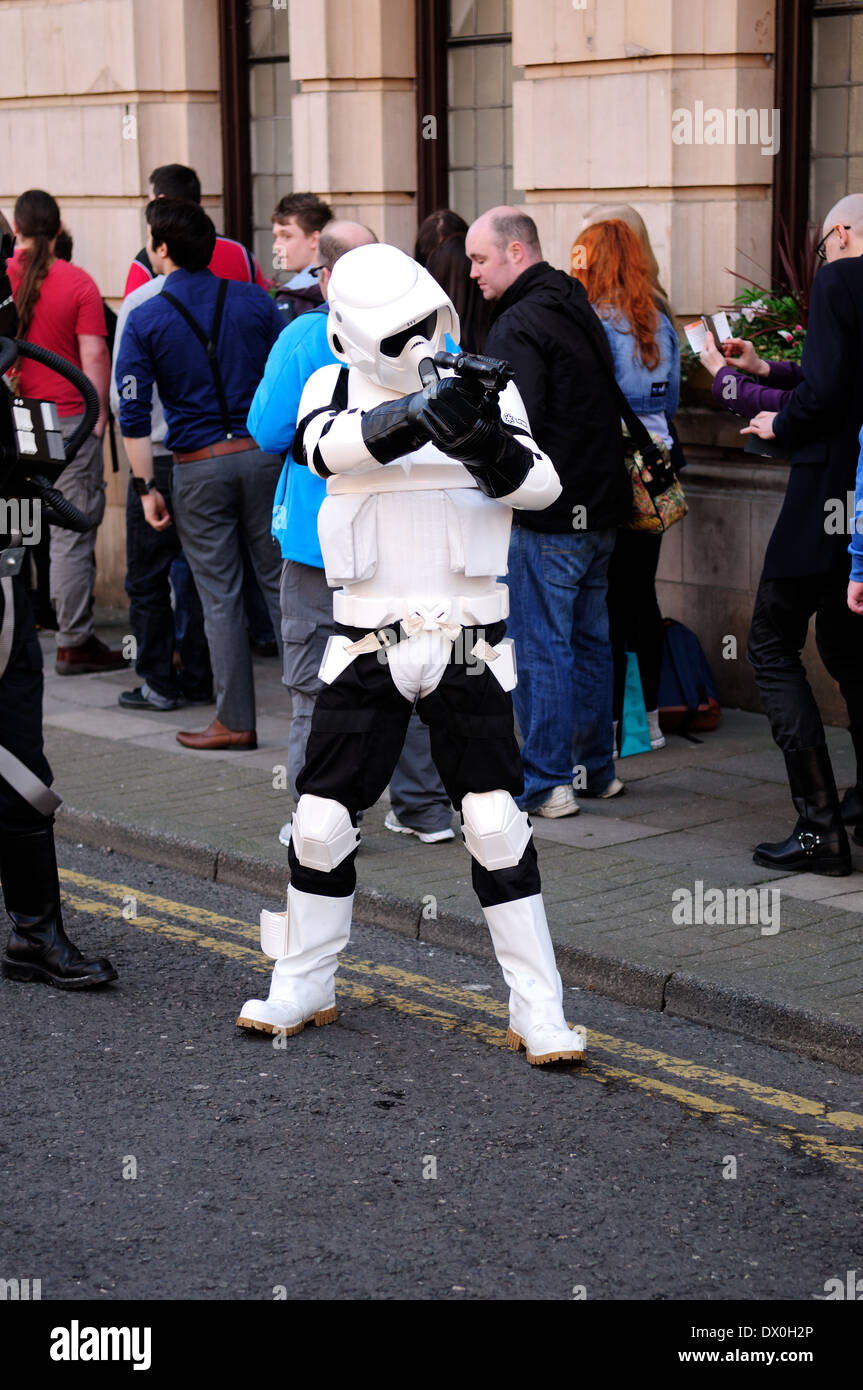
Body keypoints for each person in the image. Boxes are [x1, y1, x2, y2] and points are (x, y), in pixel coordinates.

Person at [236, 242, 586, 1066]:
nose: (419, 344)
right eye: (400, 334)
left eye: (426, 323)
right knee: (320, 824)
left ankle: (538, 1008)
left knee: (496, 824)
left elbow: (542, 489)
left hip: (467, 639)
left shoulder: (484, 394)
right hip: (366, 639)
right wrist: (414, 420)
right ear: (355, 338)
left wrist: (482, 439)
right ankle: (304, 981)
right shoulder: (331, 385)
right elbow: (325, 448)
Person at [248, 221, 455, 844]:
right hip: (407, 537)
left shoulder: (307, 335)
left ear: (328, 276)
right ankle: (424, 808)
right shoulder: (433, 331)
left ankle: (321, 818)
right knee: (411, 666)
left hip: (320, 542)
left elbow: (267, 430)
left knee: (315, 678)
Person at [466, 206, 630, 817]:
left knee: (543, 645)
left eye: (481, 260)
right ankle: (597, 771)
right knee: (589, 640)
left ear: (516, 251)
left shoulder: (516, 323)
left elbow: (516, 424)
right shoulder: (574, 302)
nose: (474, 274)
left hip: (551, 510)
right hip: (602, 505)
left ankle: (548, 783)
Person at [116, 199, 286, 750]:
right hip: (263, 456)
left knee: (220, 596)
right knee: (284, 586)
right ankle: (321, 707)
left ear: (162, 249)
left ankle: (235, 720)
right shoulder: (255, 301)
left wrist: (146, 489)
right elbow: (287, 377)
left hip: (196, 466)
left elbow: (134, 415)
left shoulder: (144, 317)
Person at [735, 193, 863, 874]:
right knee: (849, 646)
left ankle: (818, 830)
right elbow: (838, 379)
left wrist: (775, 424)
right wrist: (764, 372)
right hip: (857, 504)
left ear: (840, 232)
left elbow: (825, 395)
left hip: (824, 493)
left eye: (822, 243)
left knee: (769, 643)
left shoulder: (842, 276)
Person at [0, 250, 117, 990]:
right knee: (17, 765)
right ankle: (35, 933)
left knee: (20, 767)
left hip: (6, 590)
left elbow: (29, 497)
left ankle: (34, 934)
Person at [571, 219, 681, 753]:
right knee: (642, 596)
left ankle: (613, 729)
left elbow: (588, 401)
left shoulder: (593, 321)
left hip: (614, 469)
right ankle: (651, 722)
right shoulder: (658, 318)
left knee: (608, 602)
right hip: (656, 467)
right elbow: (673, 400)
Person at [7, 190, 127, 675]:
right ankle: (74, 640)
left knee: (18, 523)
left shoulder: (5, 278)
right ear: (58, 231)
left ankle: (19, 627)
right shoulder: (77, 282)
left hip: (20, 417)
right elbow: (95, 356)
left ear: (16, 229)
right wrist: (98, 419)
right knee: (70, 532)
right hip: (70, 417)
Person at [111, 270, 213, 711]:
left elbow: (125, 399)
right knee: (206, 577)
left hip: (156, 456)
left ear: (160, 245)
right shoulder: (238, 298)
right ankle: (200, 677)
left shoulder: (141, 303)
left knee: (148, 578)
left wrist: (144, 482)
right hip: (212, 454)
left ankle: (158, 683)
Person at [123, 164, 267, 297]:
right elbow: (263, 304)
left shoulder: (150, 258)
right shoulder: (239, 252)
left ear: (161, 200)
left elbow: (131, 313)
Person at [271, 192, 333, 322]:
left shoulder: (291, 297)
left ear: (314, 239)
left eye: (286, 236)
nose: (276, 246)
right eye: (276, 237)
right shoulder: (346, 286)